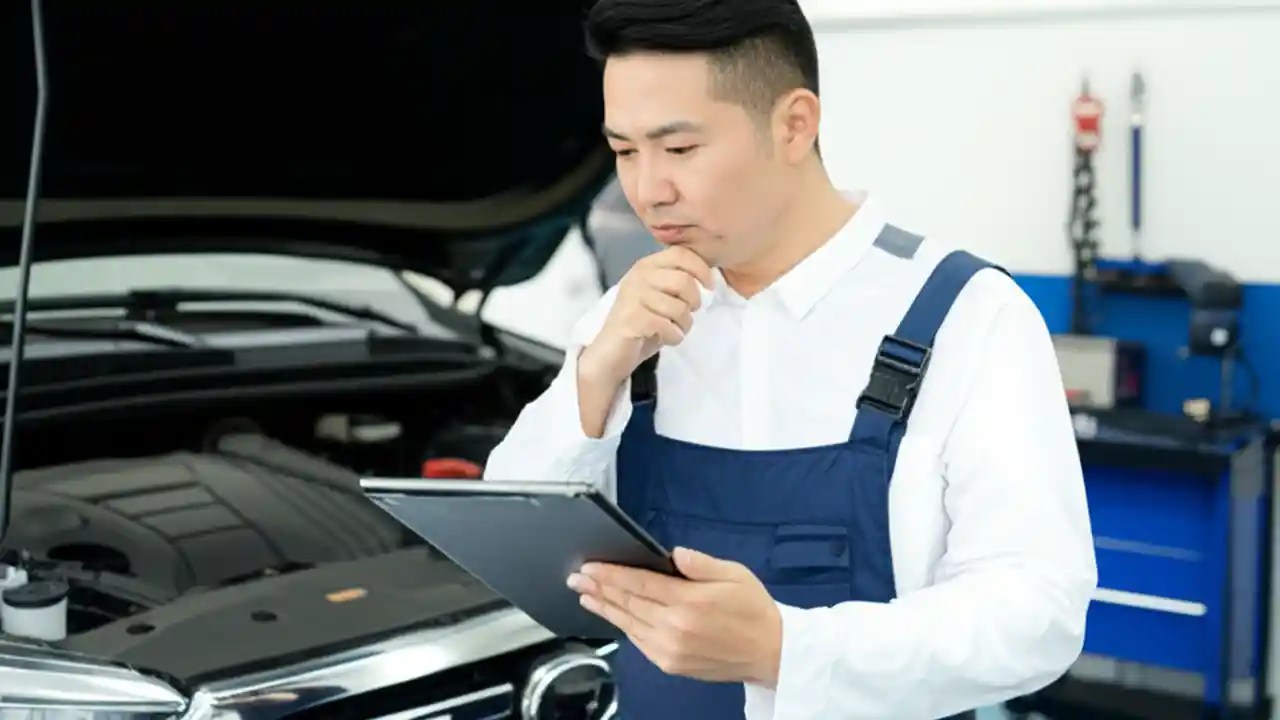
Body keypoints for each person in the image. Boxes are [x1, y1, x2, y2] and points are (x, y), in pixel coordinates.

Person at [483, 0, 1098, 717]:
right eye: (624, 151)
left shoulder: (969, 317)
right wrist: (593, 380)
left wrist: (784, 649)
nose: (648, 189)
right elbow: (515, 546)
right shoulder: (632, 316)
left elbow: (1037, 613)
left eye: (679, 149)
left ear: (794, 124)